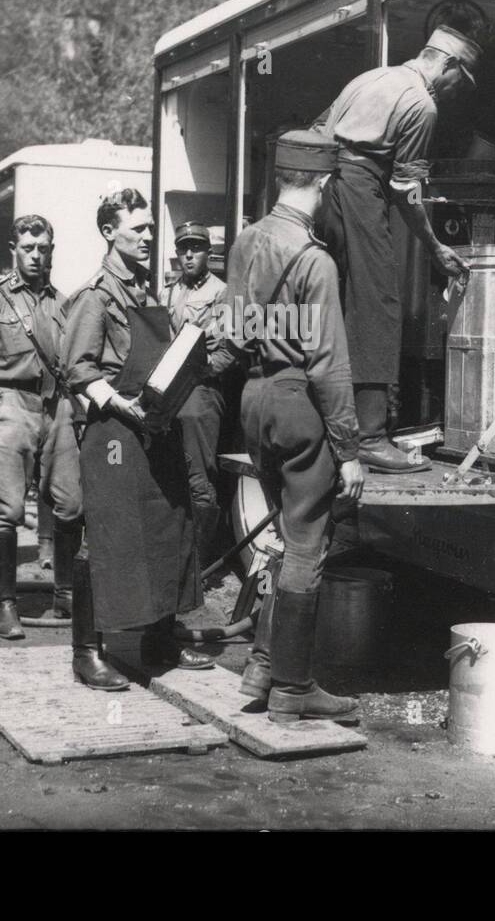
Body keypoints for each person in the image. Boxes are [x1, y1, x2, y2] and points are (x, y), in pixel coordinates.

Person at [225, 130, 365, 724]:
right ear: (326, 184)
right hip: (299, 400)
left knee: (280, 535)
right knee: (307, 540)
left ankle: (260, 669)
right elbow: (329, 364)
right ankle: (293, 688)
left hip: (253, 400)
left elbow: (233, 331)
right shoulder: (315, 260)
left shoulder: (244, 241)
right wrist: (350, 450)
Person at [63, 188, 213, 690]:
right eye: (139, 228)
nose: (151, 236)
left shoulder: (149, 292)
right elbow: (77, 371)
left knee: (169, 526)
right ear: (110, 232)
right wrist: (122, 405)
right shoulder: (96, 295)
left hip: (157, 424)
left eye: (151, 228)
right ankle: (87, 652)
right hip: (115, 431)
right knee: (106, 536)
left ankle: (159, 640)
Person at [312, 26, 478, 472]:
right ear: (448, 65)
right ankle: (369, 437)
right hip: (360, 186)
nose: (457, 90)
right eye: (461, 79)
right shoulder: (422, 104)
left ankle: (332, 423)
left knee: (338, 302)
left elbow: (317, 129)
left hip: (324, 184)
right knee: (379, 304)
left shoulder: (371, 78)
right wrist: (434, 245)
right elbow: (406, 189)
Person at [0, 215, 80, 639]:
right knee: (7, 510)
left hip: (57, 406)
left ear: (51, 250)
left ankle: (64, 594)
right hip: (9, 403)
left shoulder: (64, 303)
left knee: (70, 503)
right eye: (28, 248)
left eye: (43, 248)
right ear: (15, 249)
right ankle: (4, 604)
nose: (36, 255)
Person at [163, 221, 235, 568]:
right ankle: (178, 560)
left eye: (196, 247)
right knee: (171, 475)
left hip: (201, 394)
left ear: (209, 252)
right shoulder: (169, 292)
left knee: (199, 479)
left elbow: (229, 350)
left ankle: (200, 567)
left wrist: (201, 369)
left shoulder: (223, 293)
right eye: (183, 248)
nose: (188, 254)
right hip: (169, 393)